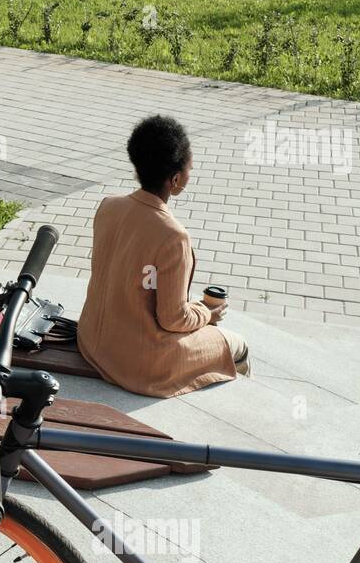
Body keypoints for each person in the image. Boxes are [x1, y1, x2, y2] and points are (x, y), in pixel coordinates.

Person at [76, 115, 250, 398]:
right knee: (238, 345)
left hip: (93, 340)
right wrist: (206, 313)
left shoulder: (108, 206)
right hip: (139, 364)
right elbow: (172, 319)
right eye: (190, 168)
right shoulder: (174, 237)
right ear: (176, 179)